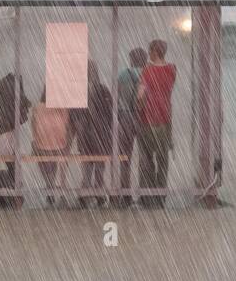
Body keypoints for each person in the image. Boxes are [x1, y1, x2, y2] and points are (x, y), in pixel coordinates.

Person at [136, 39, 176, 208]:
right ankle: (160, 197)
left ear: (154, 52)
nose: (148, 54)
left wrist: (140, 106)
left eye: (150, 50)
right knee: (162, 159)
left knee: (146, 158)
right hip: (165, 119)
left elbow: (140, 95)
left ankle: (147, 195)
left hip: (148, 120)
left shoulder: (147, 70)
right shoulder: (172, 69)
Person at [74, 60, 113, 208]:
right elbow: (110, 112)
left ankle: (85, 195)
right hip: (101, 134)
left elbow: (75, 115)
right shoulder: (103, 90)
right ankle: (98, 193)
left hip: (85, 134)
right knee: (99, 166)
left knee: (87, 166)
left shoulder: (79, 91)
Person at [115, 47, 147, 207]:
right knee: (144, 157)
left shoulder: (122, 74)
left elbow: (117, 96)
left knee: (125, 158)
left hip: (125, 118)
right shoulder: (147, 74)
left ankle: (125, 194)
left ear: (131, 59)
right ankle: (144, 193)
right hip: (142, 119)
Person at [31, 89, 70, 207]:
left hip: (42, 146)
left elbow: (33, 127)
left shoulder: (37, 107)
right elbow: (66, 125)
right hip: (58, 146)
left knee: (42, 158)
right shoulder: (62, 108)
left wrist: (37, 139)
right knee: (53, 158)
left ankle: (50, 185)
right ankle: (51, 185)